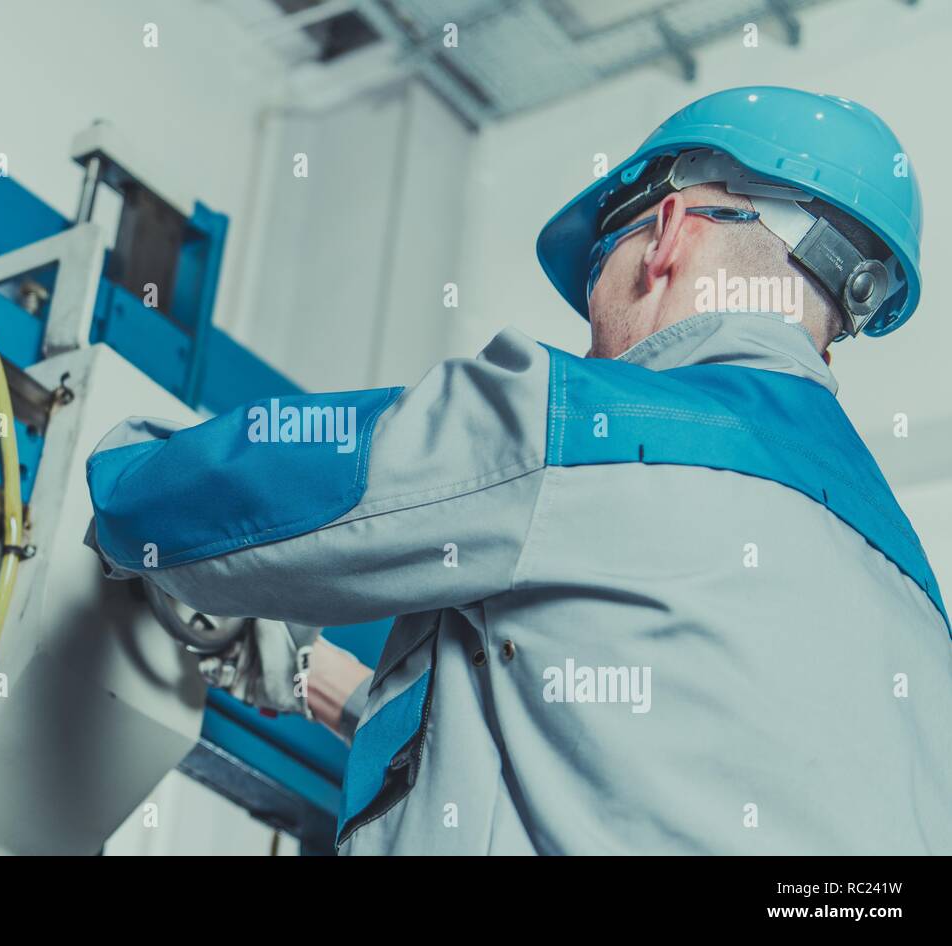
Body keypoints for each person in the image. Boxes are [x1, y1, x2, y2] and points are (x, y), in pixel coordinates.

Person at [85, 87, 951, 854]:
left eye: (597, 276)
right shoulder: (915, 600)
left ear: (667, 233)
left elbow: (222, 497)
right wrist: (325, 684)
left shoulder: (576, 424)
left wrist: (113, 456)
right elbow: (607, 762)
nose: (589, 334)